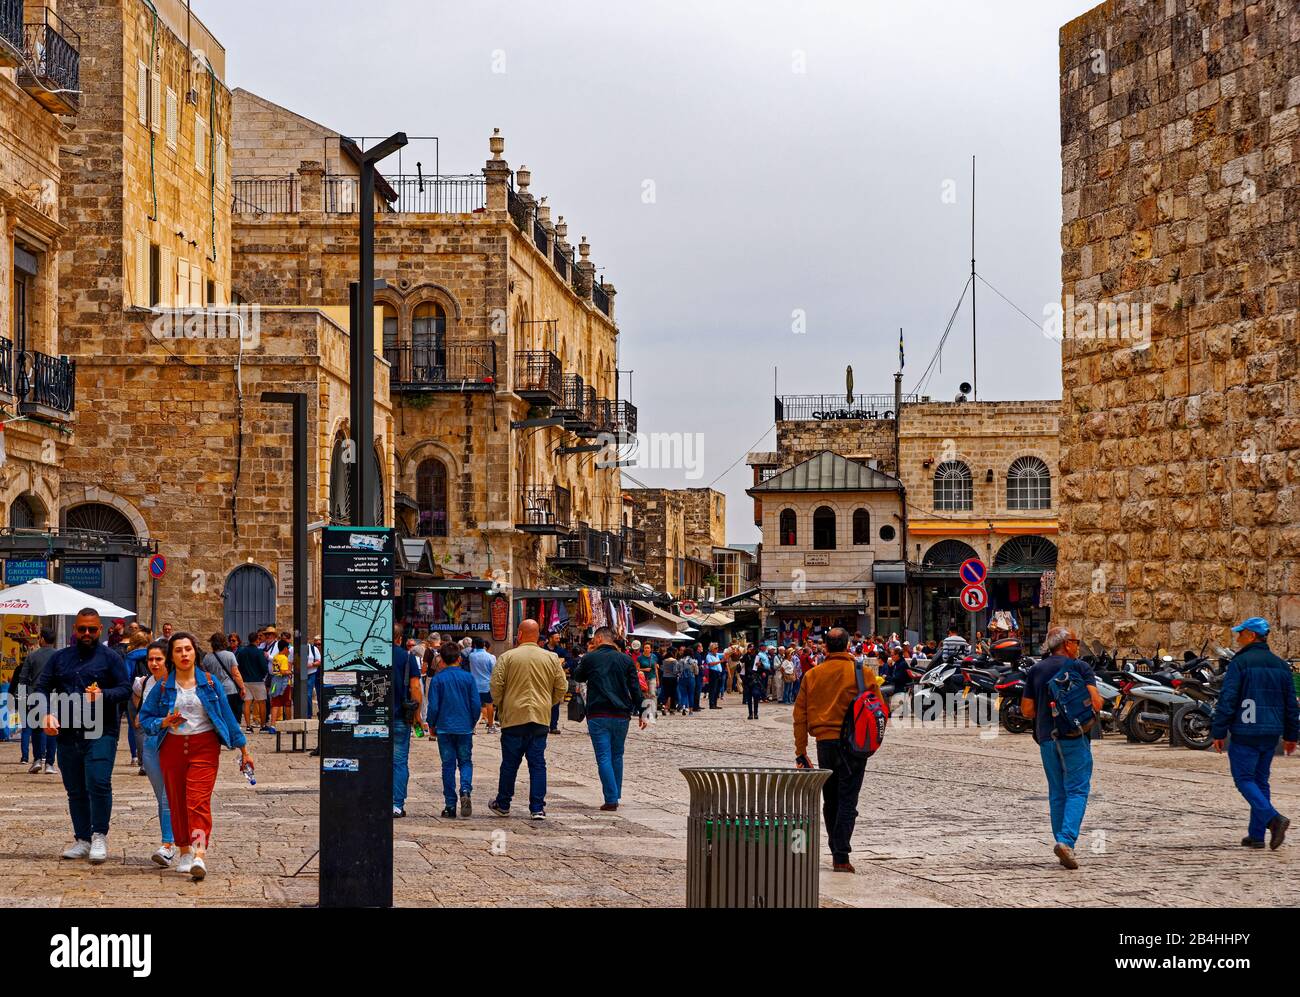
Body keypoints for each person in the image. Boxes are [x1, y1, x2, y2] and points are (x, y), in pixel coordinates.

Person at [139, 632, 252, 880]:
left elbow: (228, 718)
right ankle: (184, 852)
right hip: (172, 748)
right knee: (177, 803)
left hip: (205, 747)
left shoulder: (210, 683)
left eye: (187, 649)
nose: (184, 654)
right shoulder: (162, 686)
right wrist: (163, 721)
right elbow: (143, 719)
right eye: (178, 650)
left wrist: (244, 750)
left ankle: (199, 854)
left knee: (197, 802)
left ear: (195, 652)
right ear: (172, 656)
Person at [35, 608, 131, 864]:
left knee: (98, 782)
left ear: (100, 630)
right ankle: (82, 839)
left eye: (91, 629)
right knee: (75, 788)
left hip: (101, 731)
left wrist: (103, 695)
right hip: (68, 732)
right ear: (74, 630)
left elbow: (125, 688)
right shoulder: (60, 658)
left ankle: (99, 834)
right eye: (81, 629)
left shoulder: (111, 658)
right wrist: (45, 714)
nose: (86, 633)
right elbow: (42, 687)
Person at [792, 627, 876, 873]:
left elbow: (800, 715)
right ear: (848, 645)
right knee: (848, 799)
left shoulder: (813, 675)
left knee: (830, 800)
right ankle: (841, 855)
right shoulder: (863, 673)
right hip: (854, 744)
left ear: (825, 647)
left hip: (824, 744)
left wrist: (800, 750)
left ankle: (836, 849)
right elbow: (879, 710)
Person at [1020, 627, 1103, 870]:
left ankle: (1061, 842)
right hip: (1075, 738)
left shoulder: (1037, 669)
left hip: (1047, 738)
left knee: (1057, 792)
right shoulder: (1080, 668)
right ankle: (1066, 841)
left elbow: (1026, 710)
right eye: (1076, 642)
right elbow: (1096, 702)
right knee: (1077, 790)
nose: (1078, 646)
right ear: (1067, 644)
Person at [1212, 617, 1298, 849]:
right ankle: (1257, 835)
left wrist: (1218, 731)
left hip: (1245, 730)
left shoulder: (1240, 664)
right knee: (1260, 780)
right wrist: (1292, 736)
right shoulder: (1280, 665)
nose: (1238, 639)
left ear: (1250, 635)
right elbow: (1291, 704)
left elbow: (1228, 699)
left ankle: (1273, 819)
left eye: (1240, 634)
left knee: (1244, 779)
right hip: (1271, 732)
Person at [487, 620, 567, 820]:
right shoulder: (551, 657)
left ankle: (503, 803)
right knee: (538, 764)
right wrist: (548, 702)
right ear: (538, 635)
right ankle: (537, 807)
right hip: (540, 717)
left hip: (514, 717)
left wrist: (501, 704)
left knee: (509, 764)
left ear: (520, 635)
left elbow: (496, 687)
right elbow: (562, 687)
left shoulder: (507, 657)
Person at [573, 626, 646, 811]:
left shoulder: (590, 658)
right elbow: (636, 689)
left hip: (598, 713)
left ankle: (611, 798)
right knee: (617, 755)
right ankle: (616, 793)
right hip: (622, 714)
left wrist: (586, 657)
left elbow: (578, 676)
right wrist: (646, 714)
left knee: (604, 756)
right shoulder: (626, 659)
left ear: (598, 639)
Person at [131, 640, 176, 867]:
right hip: (150, 745)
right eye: (150, 659)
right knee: (162, 798)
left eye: (159, 659)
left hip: (170, 743)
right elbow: (140, 714)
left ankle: (168, 845)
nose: (154, 663)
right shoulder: (145, 682)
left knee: (169, 797)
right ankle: (171, 842)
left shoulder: (176, 683)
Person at [426, 641, 479, 818]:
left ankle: (450, 805)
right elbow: (475, 705)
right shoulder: (468, 678)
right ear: (458, 658)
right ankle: (465, 789)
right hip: (464, 727)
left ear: (441, 658)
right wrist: (472, 722)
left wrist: (431, 724)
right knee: (465, 761)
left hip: (444, 728)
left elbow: (433, 706)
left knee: (448, 765)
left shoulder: (438, 680)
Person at [390, 624, 424, 818]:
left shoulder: (372, 654)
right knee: (400, 762)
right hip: (400, 717)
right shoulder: (407, 657)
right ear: (399, 638)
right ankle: (396, 804)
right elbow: (415, 688)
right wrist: (418, 716)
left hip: (375, 719)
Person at [16, 629, 58, 774]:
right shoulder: (59, 656)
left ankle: (37, 760)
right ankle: (50, 764)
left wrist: (22, 698)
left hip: (36, 695)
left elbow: (22, 679)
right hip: (55, 696)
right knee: (53, 728)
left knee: (37, 729)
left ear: (42, 639)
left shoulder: (32, 656)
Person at [201, 632, 246, 727]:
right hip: (230, 689)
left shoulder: (207, 657)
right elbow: (236, 673)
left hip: (214, 690)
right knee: (232, 714)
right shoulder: (230, 655)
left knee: (219, 714)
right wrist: (242, 687)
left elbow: (205, 675)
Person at [234, 630, 270, 732]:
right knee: (262, 703)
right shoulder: (259, 652)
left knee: (247, 703)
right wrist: (263, 675)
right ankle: (263, 726)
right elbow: (264, 667)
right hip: (258, 680)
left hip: (245, 681)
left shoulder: (242, 652)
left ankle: (248, 727)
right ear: (257, 640)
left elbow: (238, 666)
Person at [467, 637, 497, 731]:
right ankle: (491, 726)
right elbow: (494, 671)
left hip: (474, 685)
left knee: (475, 706)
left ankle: (472, 728)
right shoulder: (491, 657)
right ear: (484, 645)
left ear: (474, 645)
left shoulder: (471, 656)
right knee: (489, 705)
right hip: (487, 684)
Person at [676, 652, 696, 718]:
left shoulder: (680, 661)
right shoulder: (693, 661)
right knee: (691, 694)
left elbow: (676, 671)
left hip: (682, 679)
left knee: (683, 694)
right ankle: (690, 711)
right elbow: (697, 671)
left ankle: (684, 707)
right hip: (691, 679)